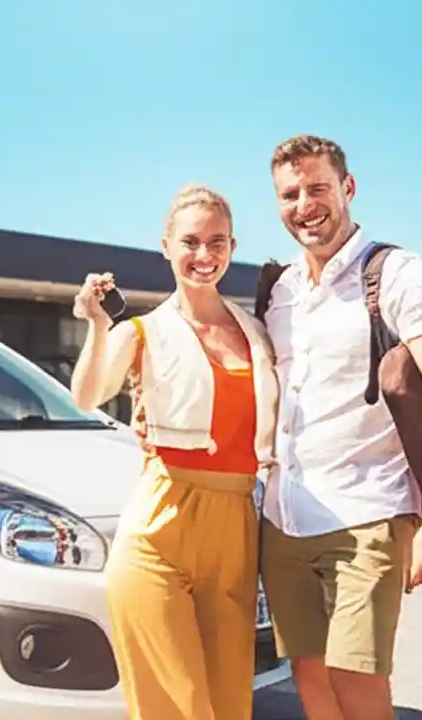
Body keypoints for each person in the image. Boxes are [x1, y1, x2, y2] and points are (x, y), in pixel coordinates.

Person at [69, 184, 279, 718]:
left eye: (217, 242)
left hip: (235, 525)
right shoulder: (142, 331)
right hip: (160, 525)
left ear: (233, 246)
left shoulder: (258, 333)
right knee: (178, 705)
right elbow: (88, 394)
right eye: (190, 242)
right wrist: (97, 325)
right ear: (165, 246)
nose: (203, 255)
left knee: (229, 702)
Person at [258, 134, 422, 720]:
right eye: (290, 193)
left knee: (356, 676)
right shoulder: (277, 290)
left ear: (347, 189)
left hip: (368, 514)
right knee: (309, 674)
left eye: (318, 188)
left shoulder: (396, 273)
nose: (305, 204)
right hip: (285, 518)